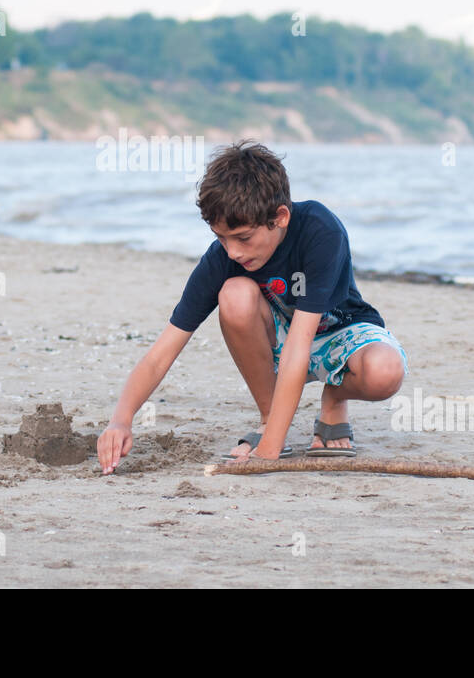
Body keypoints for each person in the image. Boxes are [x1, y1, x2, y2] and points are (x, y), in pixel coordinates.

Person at [98, 139, 408, 475]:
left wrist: (267, 456)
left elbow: (299, 345)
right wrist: (121, 419)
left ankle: (333, 400)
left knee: (385, 372)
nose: (232, 252)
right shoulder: (222, 259)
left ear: (280, 218)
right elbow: (162, 353)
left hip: (340, 329)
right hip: (278, 337)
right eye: (221, 238)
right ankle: (268, 417)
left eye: (243, 238)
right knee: (233, 294)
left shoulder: (320, 230)